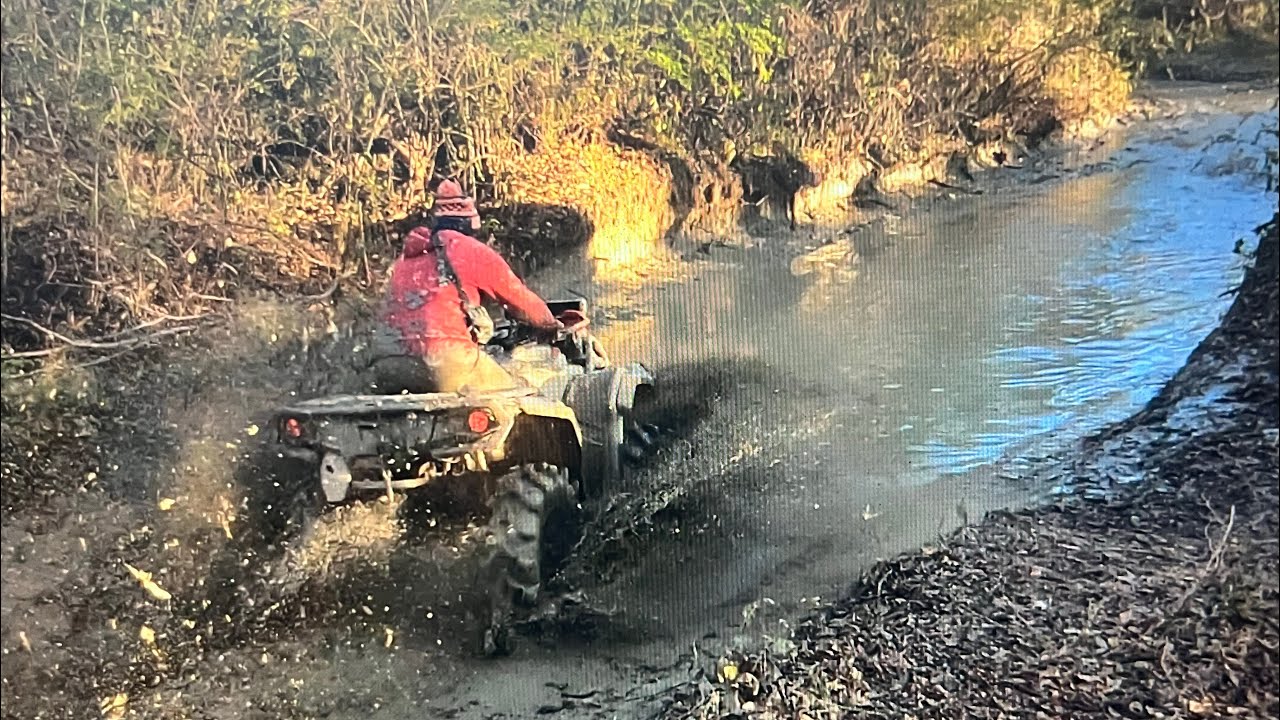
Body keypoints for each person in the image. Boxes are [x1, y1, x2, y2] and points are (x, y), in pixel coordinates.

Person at [370, 179, 562, 394]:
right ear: (468, 223)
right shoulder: (468, 250)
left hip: (388, 364)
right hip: (443, 358)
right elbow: (520, 300)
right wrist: (551, 324)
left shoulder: (405, 261)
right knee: (519, 394)